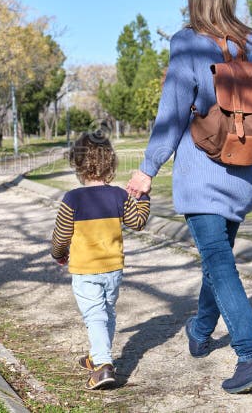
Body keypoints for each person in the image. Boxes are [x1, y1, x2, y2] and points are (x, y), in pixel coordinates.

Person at [125, 0, 252, 394]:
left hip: (203, 169)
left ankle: (250, 358)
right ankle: (200, 330)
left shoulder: (187, 41)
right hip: (244, 171)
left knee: (219, 263)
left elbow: (171, 113)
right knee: (219, 258)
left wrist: (147, 169)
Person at [51, 130, 150, 390]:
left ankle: (104, 366)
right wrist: (144, 197)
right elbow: (138, 222)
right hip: (112, 269)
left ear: (77, 163)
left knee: (95, 315)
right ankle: (97, 355)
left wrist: (58, 254)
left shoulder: (72, 199)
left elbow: (61, 236)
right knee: (106, 312)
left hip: (86, 270)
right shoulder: (118, 195)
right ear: (110, 162)